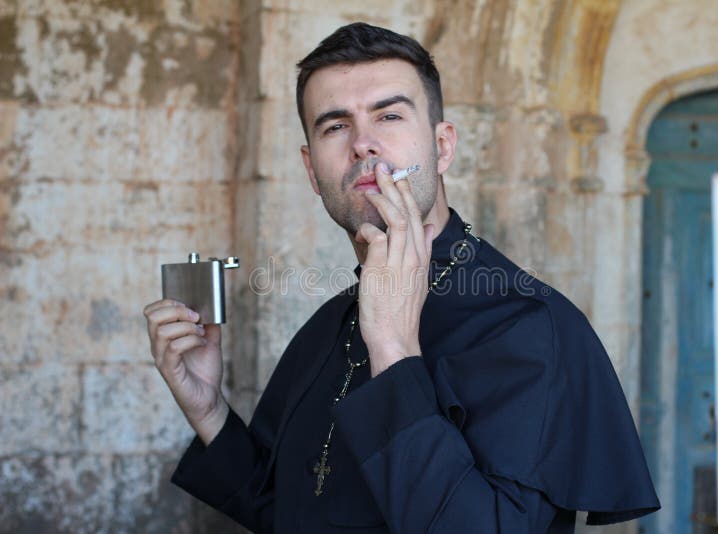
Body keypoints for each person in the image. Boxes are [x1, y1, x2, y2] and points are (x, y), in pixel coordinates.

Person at [143, 22, 660, 533]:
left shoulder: (532, 327)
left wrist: (393, 350)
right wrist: (208, 409)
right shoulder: (330, 323)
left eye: (388, 115)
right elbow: (290, 513)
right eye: (335, 125)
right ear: (311, 170)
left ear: (443, 146)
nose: (364, 144)